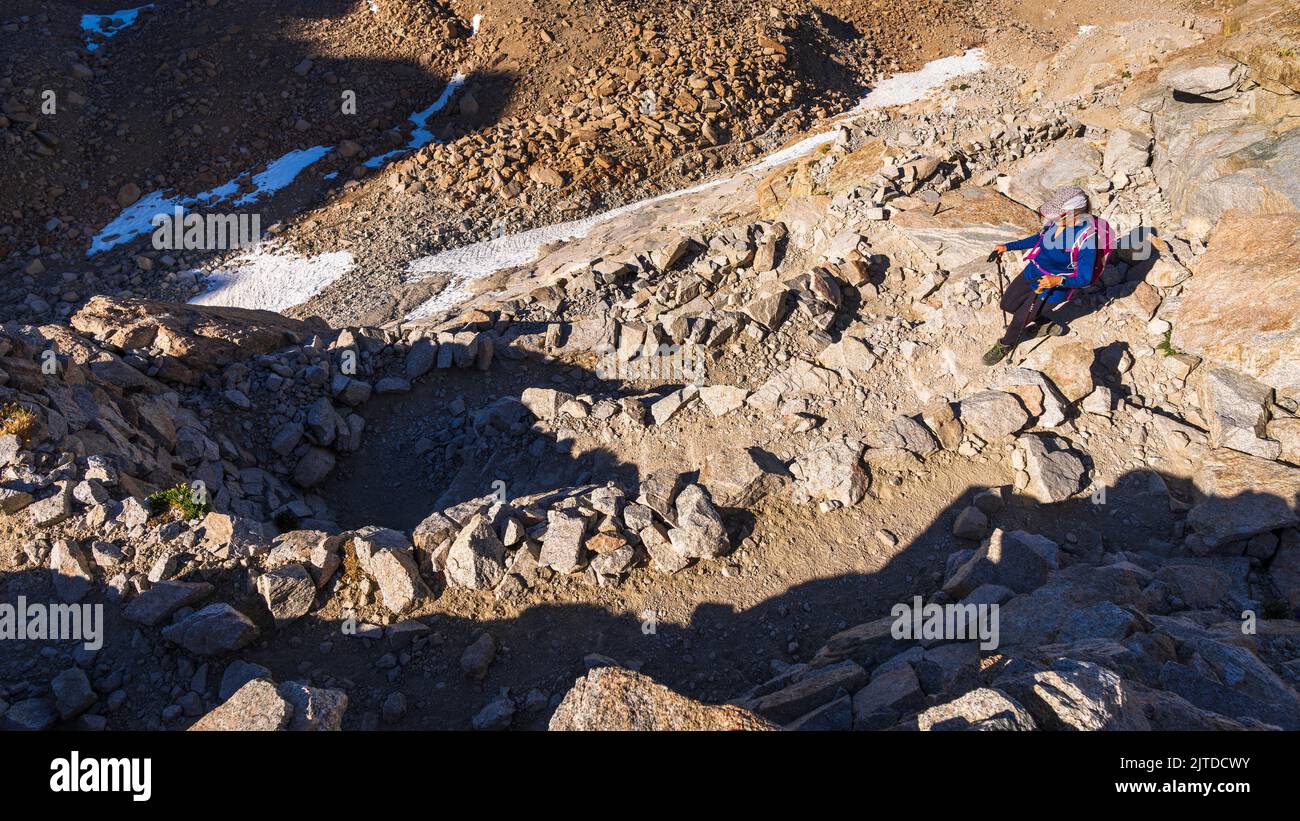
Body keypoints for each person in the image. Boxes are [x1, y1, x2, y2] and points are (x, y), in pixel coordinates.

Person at [983, 186, 1099, 366]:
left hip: (1053, 287)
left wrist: (1059, 280)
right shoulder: (1056, 223)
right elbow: (1039, 239)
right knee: (1007, 304)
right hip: (1033, 271)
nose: (1051, 218)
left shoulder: (1087, 240)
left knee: (1019, 320)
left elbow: (1086, 278)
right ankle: (1044, 322)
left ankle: (1005, 345)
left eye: (1057, 215)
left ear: (1074, 213)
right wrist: (1008, 247)